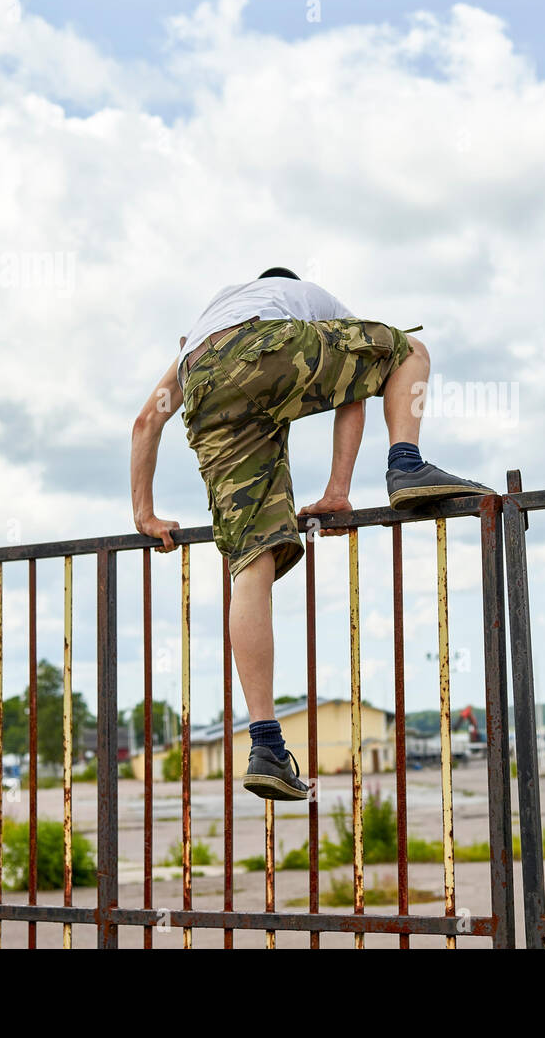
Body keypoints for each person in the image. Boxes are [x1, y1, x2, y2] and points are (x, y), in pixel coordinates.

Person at [129, 267, 492, 799]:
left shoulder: (206, 322)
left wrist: (145, 514)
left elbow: (147, 422)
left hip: (204, 383)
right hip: (264, 347)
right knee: (408, 350)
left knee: (252, 561)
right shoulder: (309, 298)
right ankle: (408, 463)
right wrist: (337, 490)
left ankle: (266, 743)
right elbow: (359, 388)